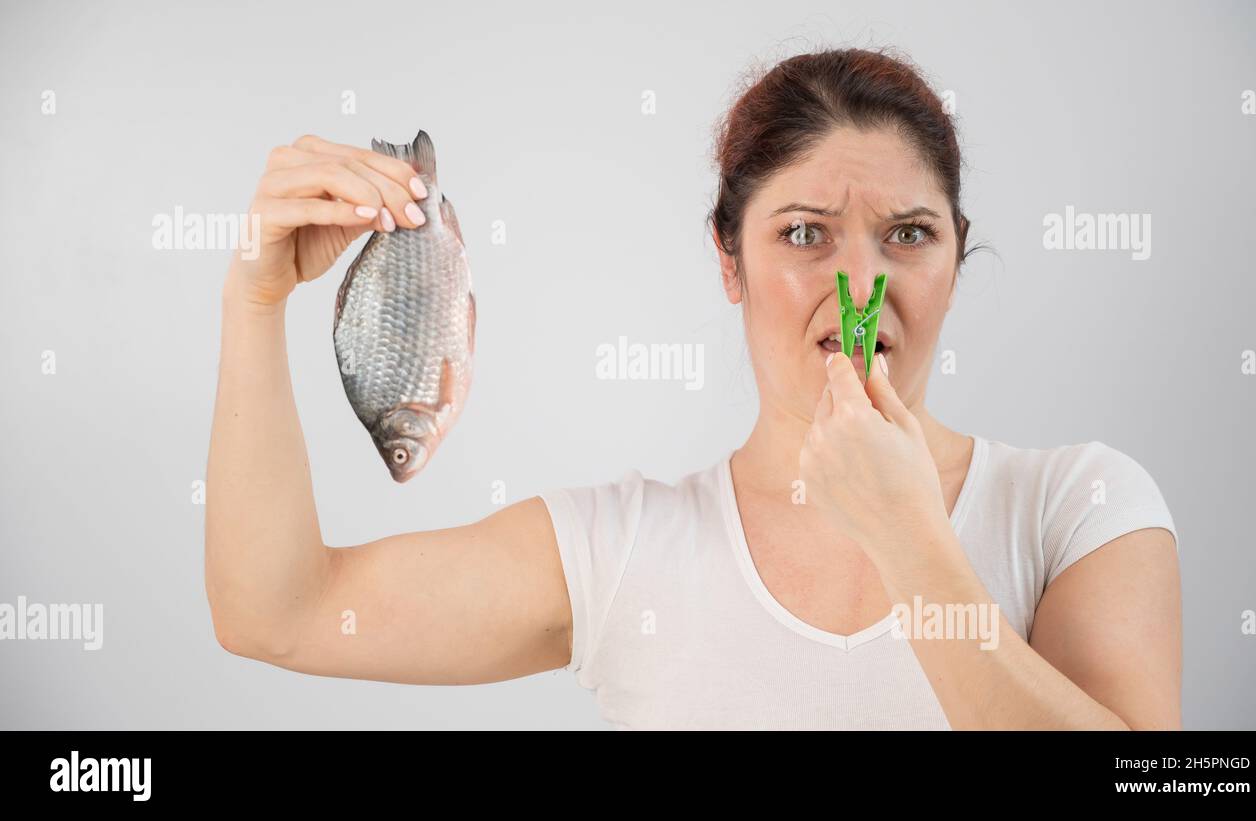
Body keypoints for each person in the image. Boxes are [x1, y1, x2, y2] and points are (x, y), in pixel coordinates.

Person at [205, 47, 1180, 730]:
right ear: (729, 264)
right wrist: (254, 300)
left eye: (910, 233)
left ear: (958, 259)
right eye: (803, 232)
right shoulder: (622, 547)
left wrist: (908, 539)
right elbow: (277, 613)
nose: (860, 284)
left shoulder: (1079, 506)